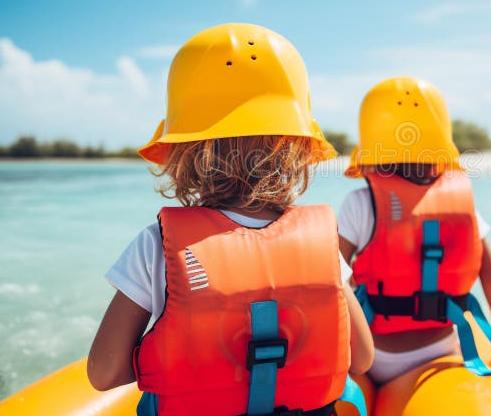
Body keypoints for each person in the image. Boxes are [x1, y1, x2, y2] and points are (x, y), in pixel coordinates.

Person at [87, 23, 373, 416]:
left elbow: (104, 373)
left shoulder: (159, 244)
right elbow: (361, 358)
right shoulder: (321, 243)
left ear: (182, 152)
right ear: (297, 148)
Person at [338, 76, 491, 386]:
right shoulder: (461, 203)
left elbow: (332, 287)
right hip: (444, 349)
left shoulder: (359, 203)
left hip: (376, 356)